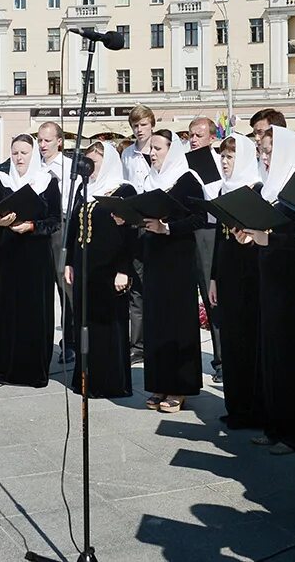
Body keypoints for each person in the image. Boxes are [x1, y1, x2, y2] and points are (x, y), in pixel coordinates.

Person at [239, 125, 295, 456]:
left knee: (289, 359)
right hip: (271, 284)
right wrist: (251, 236)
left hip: (292, 288)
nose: (264, 158)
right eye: (262, 152)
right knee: (272, 357)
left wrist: (269, 239)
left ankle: (292, 432)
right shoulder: (273, 191)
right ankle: (274, 424)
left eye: (269, 152)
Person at [135, 129, 206, 413]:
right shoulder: (150, 180)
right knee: (157, 322)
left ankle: (179, 386)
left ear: (172, 150)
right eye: (150, 148)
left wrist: (168, 227)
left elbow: (200, 217)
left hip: (178, 258)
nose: (152, 153)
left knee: (177, 322)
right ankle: (159, 383)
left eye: (158, 148)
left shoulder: (187, 179)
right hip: (154, 257)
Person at [64, 142, 137, 398]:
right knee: (85, 321)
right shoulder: (84, 189)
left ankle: (110, 381)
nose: (90, 169)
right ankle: (86, 377)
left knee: (109, 324)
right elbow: (74, 228)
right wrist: (69, 262)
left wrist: (123, 269)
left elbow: (129, 234)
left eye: (95, 163)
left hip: (110, 268)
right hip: (85, 265)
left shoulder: (124, 190)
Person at [0, 134, 60, 388]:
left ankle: (34, 371)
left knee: (34, 311)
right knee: (8, 309)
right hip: (8, 253)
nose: (19, 158)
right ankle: (4, 369)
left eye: (24, 153)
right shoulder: (2, 180)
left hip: (36, 255)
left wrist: (31, 226)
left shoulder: (47, 182)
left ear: (34, 155)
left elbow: (54, 221)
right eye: (15, 153)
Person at [209, 133, 264, 429]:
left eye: (230, 156)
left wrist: (252, 241)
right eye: (222, 156)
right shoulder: (223, 190)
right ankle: (234, 406)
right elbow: (220, 238)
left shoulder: (256, 188)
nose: (225, 161)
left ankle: (251, 409)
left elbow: (262, 234)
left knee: (247, 341)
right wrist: (214, 277)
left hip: (249, 275)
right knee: (230, 340)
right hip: (228, 273)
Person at [188, 116, 223, 381]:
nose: (193, 139)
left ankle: (222, 359)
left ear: (212, 138)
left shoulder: (218, 162)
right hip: (184, 232)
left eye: (199, 135)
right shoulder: (184, 162)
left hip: (208, 233)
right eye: (191, 134)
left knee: (213, 298)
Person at [120, 104, 156, 364]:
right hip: (136, 223)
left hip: (157, 221)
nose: (139, 129)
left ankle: (155, 338)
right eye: (135, 125)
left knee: (157, 283)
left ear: (151, 124)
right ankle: (137, 344)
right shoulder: (128, 154)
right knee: (136, 285)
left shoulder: (159, 150)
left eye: (143, 124)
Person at [38, 121, 76, 362]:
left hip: (62, 226)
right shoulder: (34, 166)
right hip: (36, 229)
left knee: (65, 286)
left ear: (59, 142)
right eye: (39, 140)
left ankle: (69, 342)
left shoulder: (69, 167)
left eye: (47, 140)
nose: (42, 145)